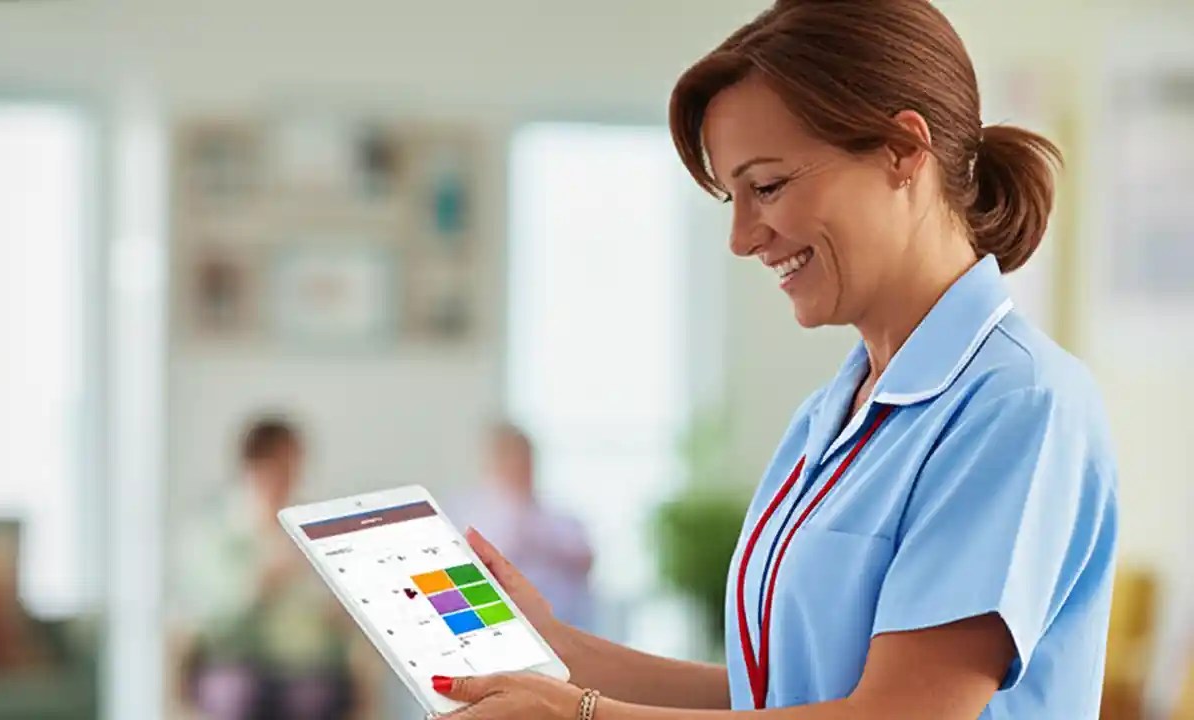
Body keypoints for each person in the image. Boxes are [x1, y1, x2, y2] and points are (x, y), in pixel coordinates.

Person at [427, 1, 1118, 718]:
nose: (742, 236)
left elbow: (900, 713)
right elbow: (781, 699)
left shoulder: (1020, 404)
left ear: (901, 150)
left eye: (767, 187)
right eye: (732, 196)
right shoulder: (829, 416)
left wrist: (584, 715)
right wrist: (560, 652)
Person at [178, 416, 371, 720]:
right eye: (277, 469)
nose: (287, 479)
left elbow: (338, 616)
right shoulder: (214, 531)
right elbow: (209, 620)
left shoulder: (315, 526)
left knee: (310, 699)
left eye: (293, 468)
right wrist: (262, 583)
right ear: (251, 467)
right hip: (236, 663)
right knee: (238, 694)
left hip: (309, 667)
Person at [449, 422, 595, 631]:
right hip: (497, 625)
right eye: (509, 458)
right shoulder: (466, 513)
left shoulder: (560, 518)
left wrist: (544, 543)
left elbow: (585, 559)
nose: (517, 466)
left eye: (523, 459)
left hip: (562, 624)